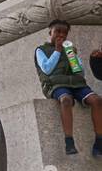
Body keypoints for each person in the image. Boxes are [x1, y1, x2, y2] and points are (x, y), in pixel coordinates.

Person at [35, 19, 102, 156]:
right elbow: (47, 69)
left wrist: (72, 56)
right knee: (65, 100)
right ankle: (69, 141)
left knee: (97, 100)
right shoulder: (41, 50)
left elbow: (79, 72)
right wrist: (58, 51)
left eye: (64, 33)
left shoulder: (70, 50)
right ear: (50, 33)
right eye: (57, 32)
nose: (61, 35)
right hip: (55, 84)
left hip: (77, 84)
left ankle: (99, 141)